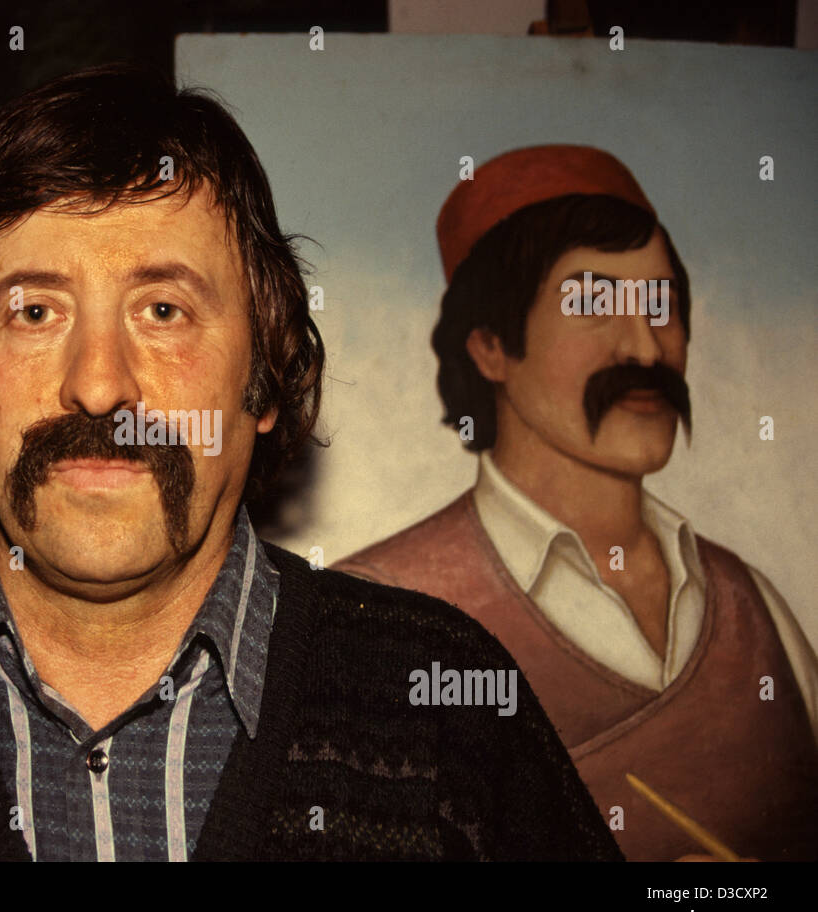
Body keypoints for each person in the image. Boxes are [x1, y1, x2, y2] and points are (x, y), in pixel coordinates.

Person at [0, 66, 618, 862]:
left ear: (264, 382)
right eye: (33, 310)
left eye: (163, 310)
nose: (97, 386)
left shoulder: (446, 712)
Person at [335, 145, 818, 861]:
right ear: (491, 345)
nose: (646, 348)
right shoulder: (369, 615)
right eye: (595, 304)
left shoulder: (756, 608)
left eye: (661, 305)